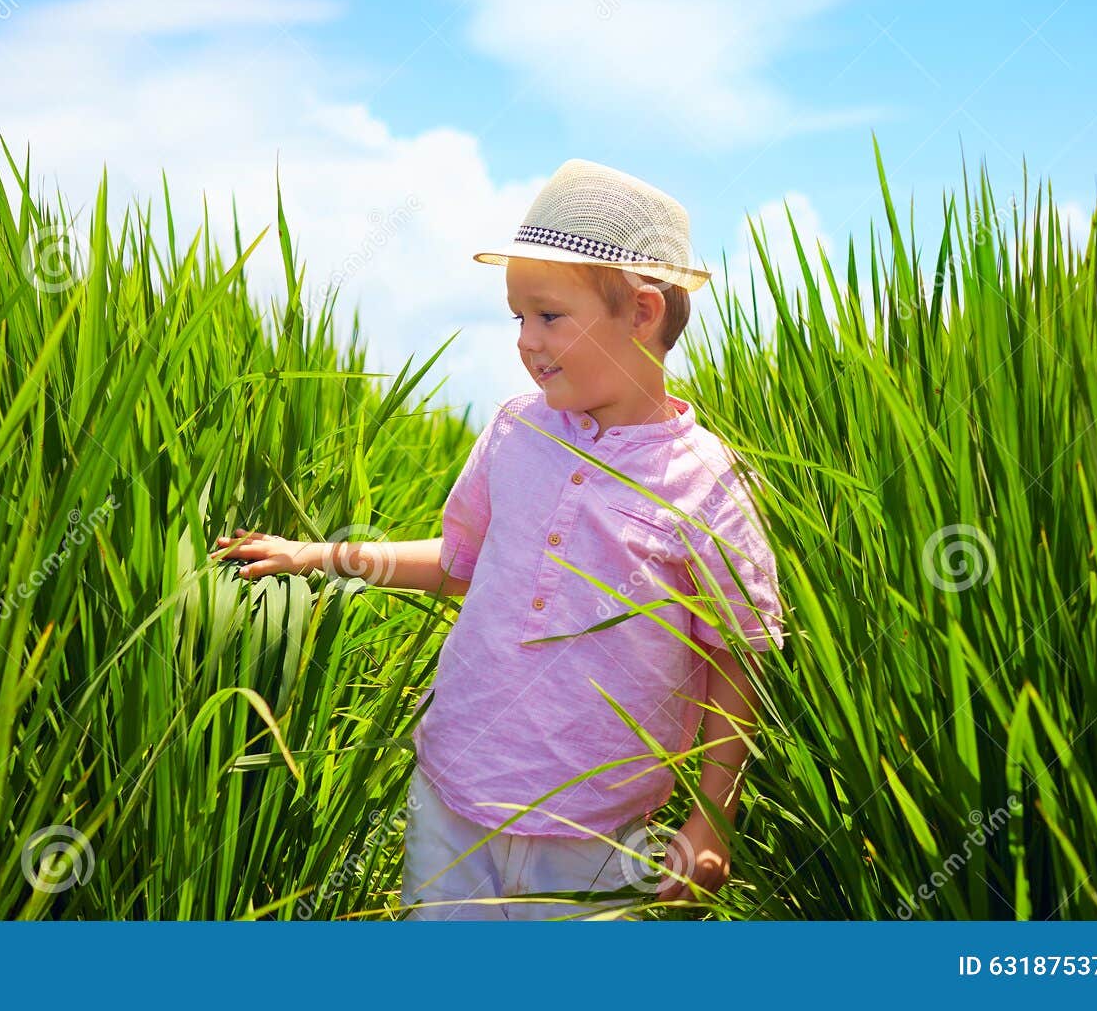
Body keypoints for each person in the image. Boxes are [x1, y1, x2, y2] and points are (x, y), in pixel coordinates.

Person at [211, 158, 786, 920]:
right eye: (517, 316)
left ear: (643, 314)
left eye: (548, 316)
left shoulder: (705, 480)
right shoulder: (517, 430)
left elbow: (734, 652)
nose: (526, 340)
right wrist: (318, 555)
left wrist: (713, 812)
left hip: (597, 829)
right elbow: (459, 562)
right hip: (454, 788)